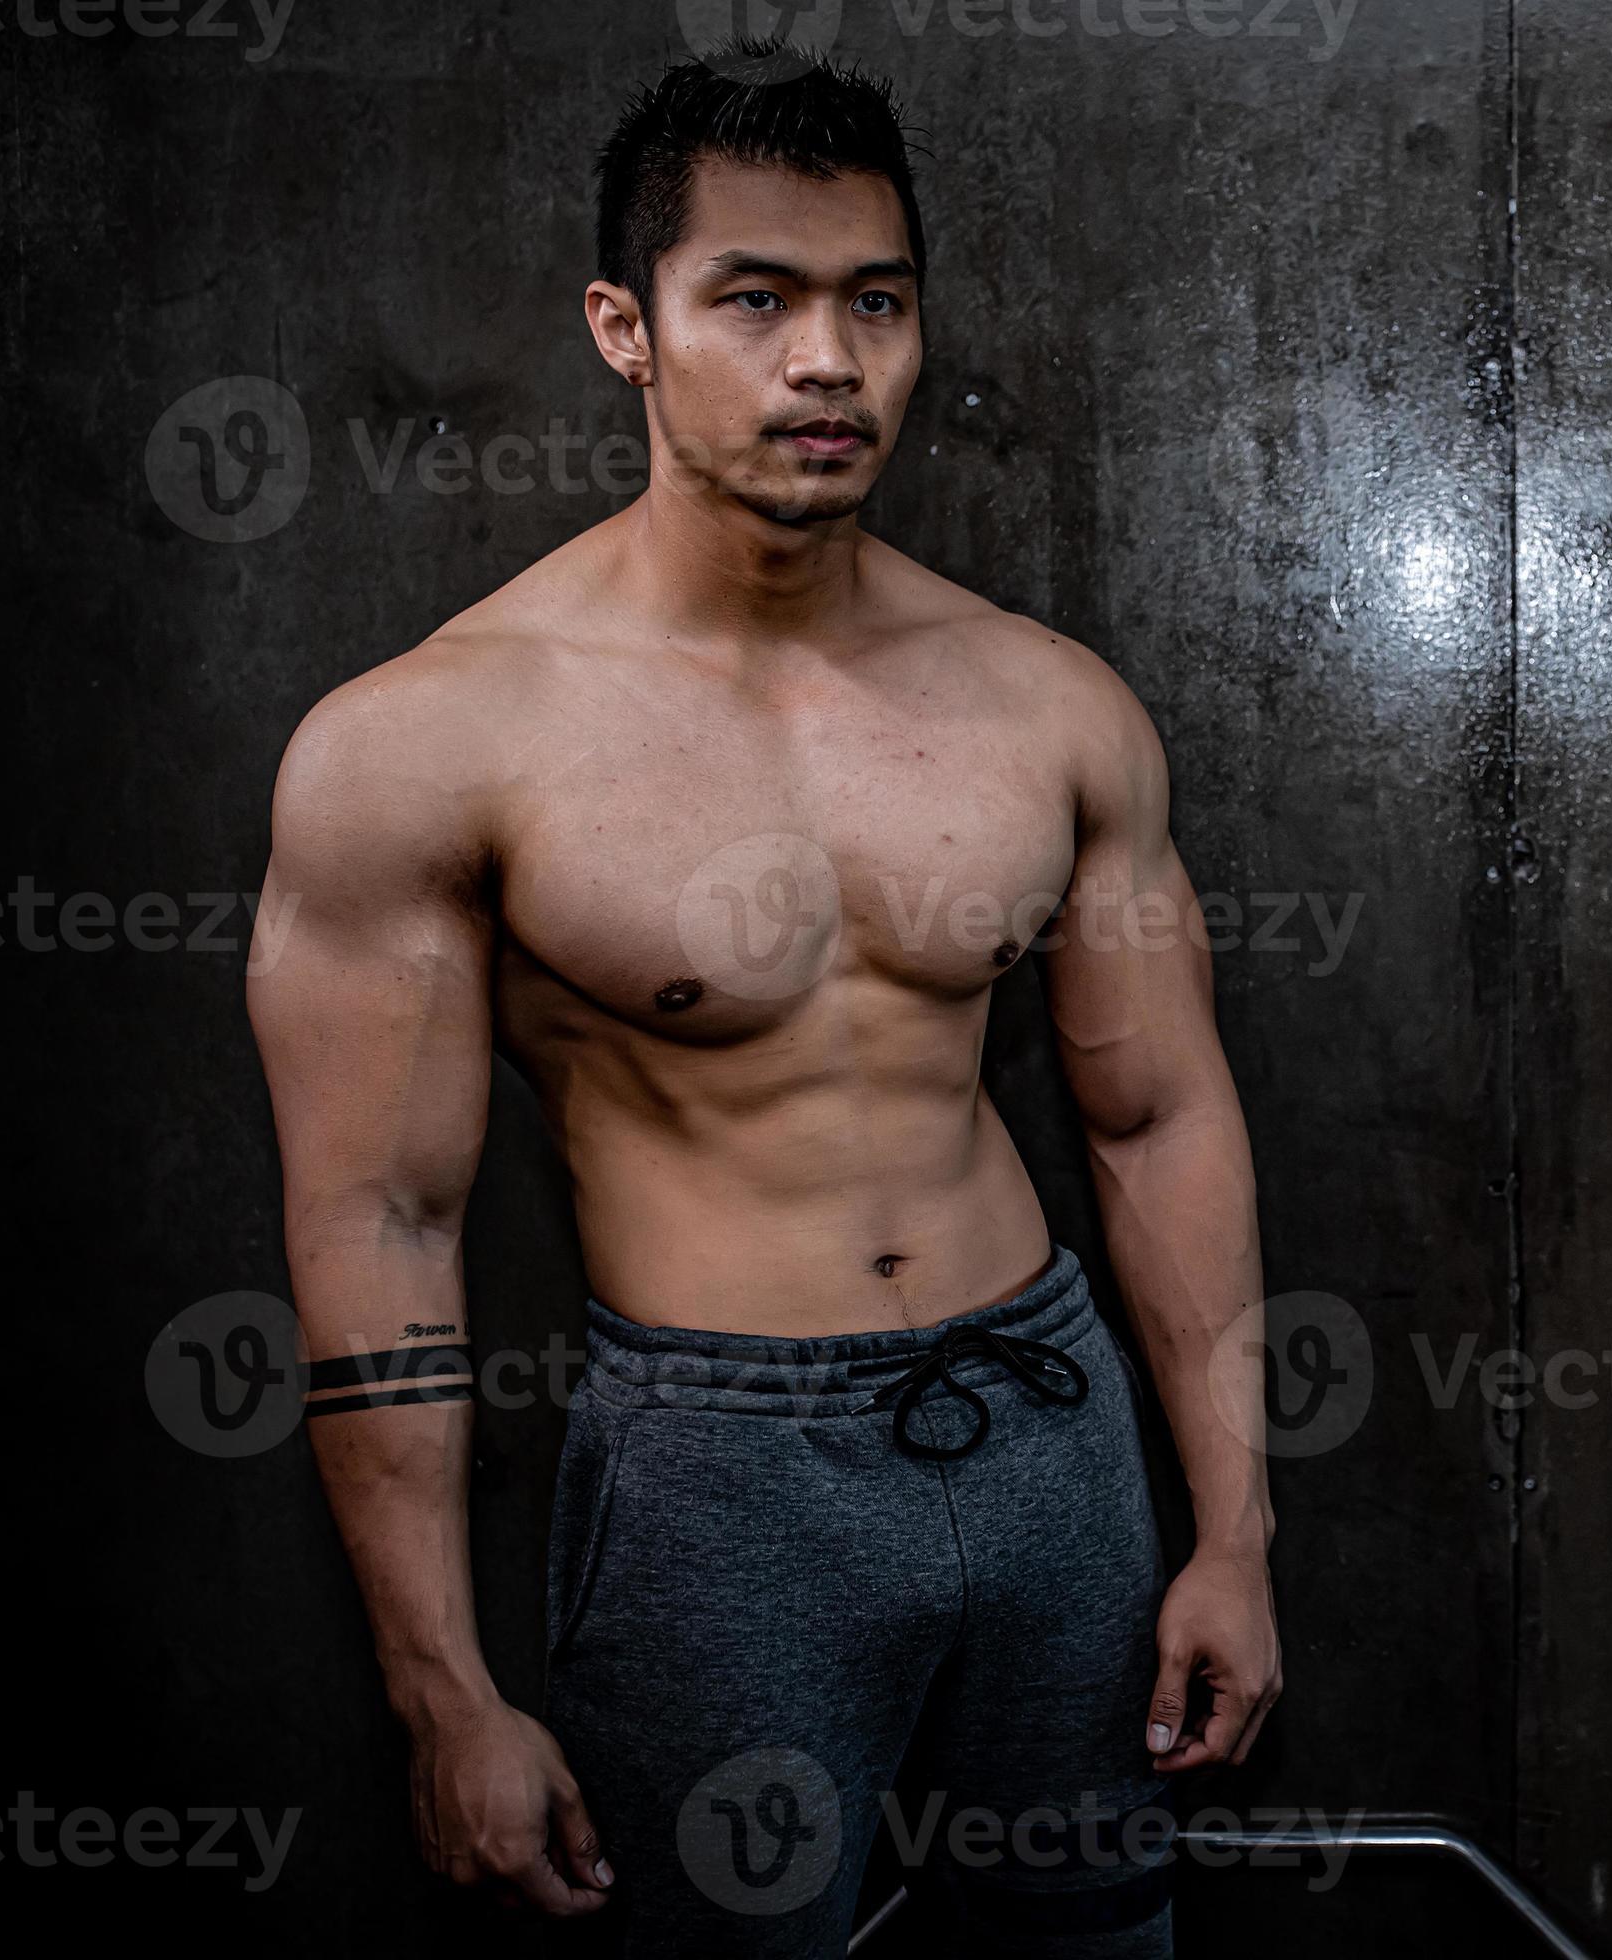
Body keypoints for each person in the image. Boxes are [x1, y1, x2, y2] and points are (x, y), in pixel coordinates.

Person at [244, 44, 1278, 1956]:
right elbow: (379, 1216)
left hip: (1053, 1428)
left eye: (873, 301)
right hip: (724, 1478)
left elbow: (1156, 1114)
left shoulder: (1049, 702)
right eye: (757, 299)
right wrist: (442, 1687)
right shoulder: (427, 744)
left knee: (1086, 1945)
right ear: (624, 329)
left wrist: (1230, 1531)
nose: (831, 360)